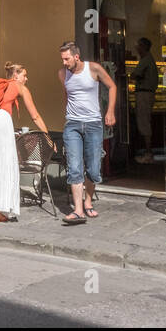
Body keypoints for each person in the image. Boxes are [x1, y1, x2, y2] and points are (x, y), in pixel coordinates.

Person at [0, 62, 51, 224]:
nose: (26, 78)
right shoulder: (19, 87)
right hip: (1, 121)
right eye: (24, 75)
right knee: (5, 165)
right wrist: (47, 136)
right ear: (16, 75)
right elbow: (35, 116)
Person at [57, 41, 117, 225]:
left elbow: (112, 87)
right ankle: (78, 210)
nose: (64, 63)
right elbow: (68, 95)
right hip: (72, 125)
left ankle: (88, 201)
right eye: (62, 59)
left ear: (76, 56)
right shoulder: (62, 73)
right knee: (74, 167)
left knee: (92, 167)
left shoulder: (94, 68)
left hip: (93, 124)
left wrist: (110, 111)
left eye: (67, 59)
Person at [132, 37, 159, 162]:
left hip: (144, 94)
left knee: (143, 122)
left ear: (143, 47)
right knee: (145, 121)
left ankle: (148, 154)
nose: (136, 48)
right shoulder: (149, 59)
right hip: (148, 94)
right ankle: (148, 152)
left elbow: (135, 74)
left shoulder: (145, 60)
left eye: (138, 46)